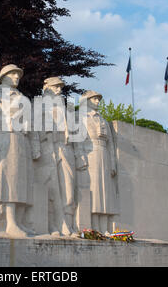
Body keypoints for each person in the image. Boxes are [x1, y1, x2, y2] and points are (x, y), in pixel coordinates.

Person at [0, 64, 39, 237]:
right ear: (4, 76)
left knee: (23, 180)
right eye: (13, 74)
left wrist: (35, 146)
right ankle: (10, 223)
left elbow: (32, 125)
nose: (17, 77)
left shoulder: (23, 97)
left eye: (18, 74)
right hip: (5, 138)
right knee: (9, 180)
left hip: (22, 140)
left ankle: (20, 222)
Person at [34, 77, 76, 236]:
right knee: (52, 188)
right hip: (48, 148)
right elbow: (35, 127)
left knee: (68, 188)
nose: (59, 90)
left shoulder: (65, 108)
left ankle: (68, 223)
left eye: (60, 87)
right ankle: (53, 224)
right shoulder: (38, 104)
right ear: (47, 87)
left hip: (64, 149)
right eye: (56, 87)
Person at [75, 90, 119, 233]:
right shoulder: (79, 117)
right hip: (90, 154)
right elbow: (78, 140)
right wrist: (80, 157)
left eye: (98, 99)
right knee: (94, 190)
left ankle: (105, 227)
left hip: (104, 154)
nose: (97, 102)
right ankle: (93, 226)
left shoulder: (103, 120)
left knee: (106, 192)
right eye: (94, 99)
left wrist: (113, 163)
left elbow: (111, 144)